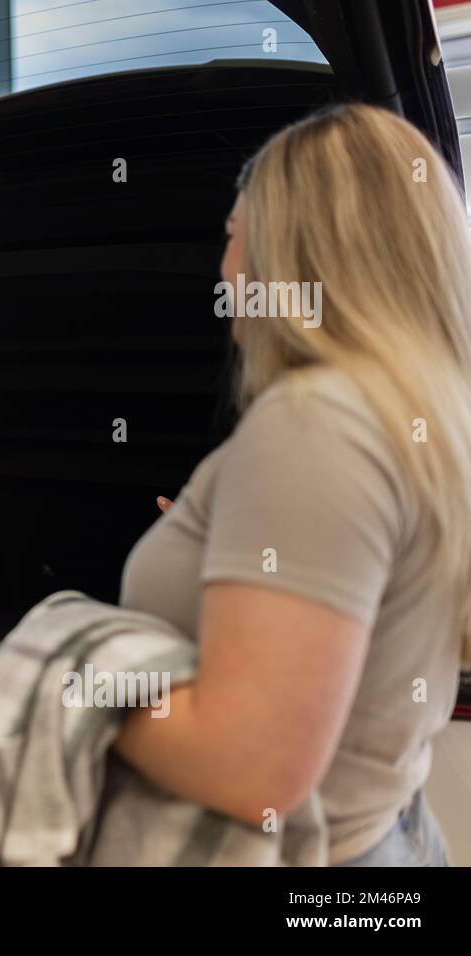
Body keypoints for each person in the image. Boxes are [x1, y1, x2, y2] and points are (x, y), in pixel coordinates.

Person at [115, 103, 468, 866]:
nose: (224, 268)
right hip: (390, 837)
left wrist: (70, 678)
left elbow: (253, 772)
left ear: (294, 249)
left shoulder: (315, 425)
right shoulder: (424, 415)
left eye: (234, 234)